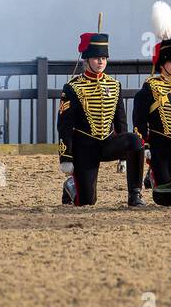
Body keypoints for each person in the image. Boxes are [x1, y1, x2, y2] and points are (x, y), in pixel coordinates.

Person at [58, 30, 145, 207]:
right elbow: (64, 125)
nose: (101, 61)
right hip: (84, 148)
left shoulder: (114, 85)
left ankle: (135, 195)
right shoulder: (72, 88)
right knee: (87, 202)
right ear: (87, 59)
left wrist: (124, 156)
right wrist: (66, 156)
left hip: (107, 143)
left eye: (104, 58)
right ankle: (70, 186)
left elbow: (120, 119)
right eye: (97, 57)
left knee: (135, 141)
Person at [133, 34, 171, 192]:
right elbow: (140, 119)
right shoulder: (151, 86)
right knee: (165, 188)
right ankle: (152, 174)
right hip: (160, 140)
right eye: (170, 61)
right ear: (162, 63)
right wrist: (146, 144)